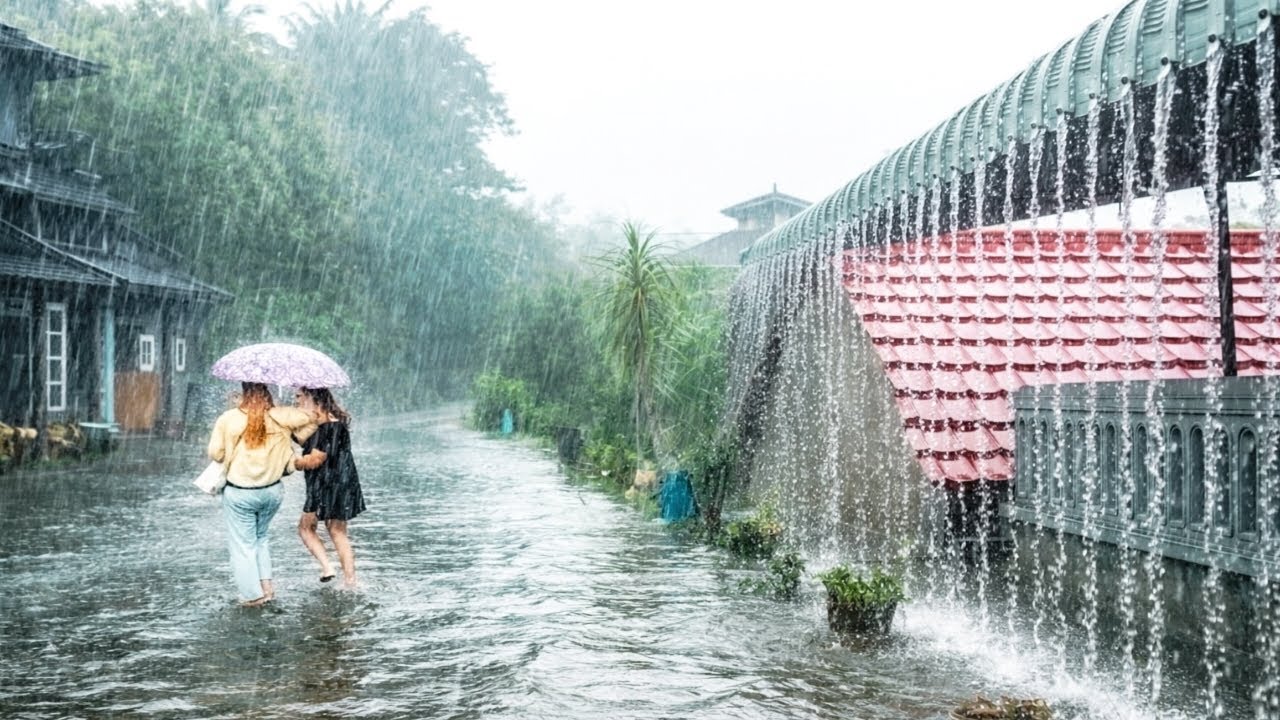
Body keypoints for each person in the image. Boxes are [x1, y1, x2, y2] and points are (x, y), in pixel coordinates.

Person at [207, 382, 318, 607]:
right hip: (272, 492)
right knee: (260, 538)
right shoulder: (282, 417)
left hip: (240, 494)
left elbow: (215, 453)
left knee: (243, 545)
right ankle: (267, 589)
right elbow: (312, 420)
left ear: (244, 393)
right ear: (267, 392)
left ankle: (252, 596)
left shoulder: (228, 419)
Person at [294, 387, 365, 588]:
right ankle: (350, 582)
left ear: (312, 397)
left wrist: (290, 463)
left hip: (325, 483)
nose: (296, 401)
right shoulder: (333, 423)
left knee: (306, 528)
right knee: (337, 531)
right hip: (343, 481)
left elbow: (316, 459)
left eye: (299, 396)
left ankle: (328, 568)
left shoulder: (327, 427)